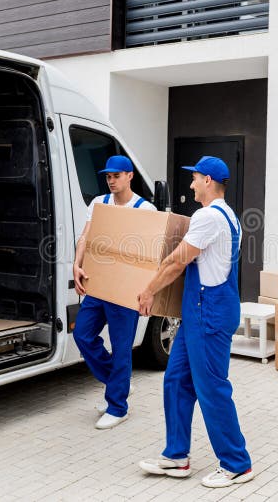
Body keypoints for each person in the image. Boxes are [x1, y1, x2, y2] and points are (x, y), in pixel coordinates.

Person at [136, 156, 254, 489]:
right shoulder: (229, 216)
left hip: (209, 312)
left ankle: (236, 463)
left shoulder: (207, 216)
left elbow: (177, 261)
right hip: (201, 311)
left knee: (212, 388)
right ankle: (177, 456)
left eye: (194, 178)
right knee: (175, 380)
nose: (191, 185)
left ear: (207, 181)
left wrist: (148, 291)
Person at [73, 155, 156, 430]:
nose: (111, 180)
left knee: (122, 347)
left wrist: (149, 291)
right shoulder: (99, 203)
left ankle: (118, 407)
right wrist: (76, 264)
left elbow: (152, 256)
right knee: (83, 334)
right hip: (100, 284)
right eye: (108, 176)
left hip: (127, 290)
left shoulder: (147, 209)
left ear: (129, 176)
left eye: (116, 176)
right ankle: (118, 383)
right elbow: (86, 236)